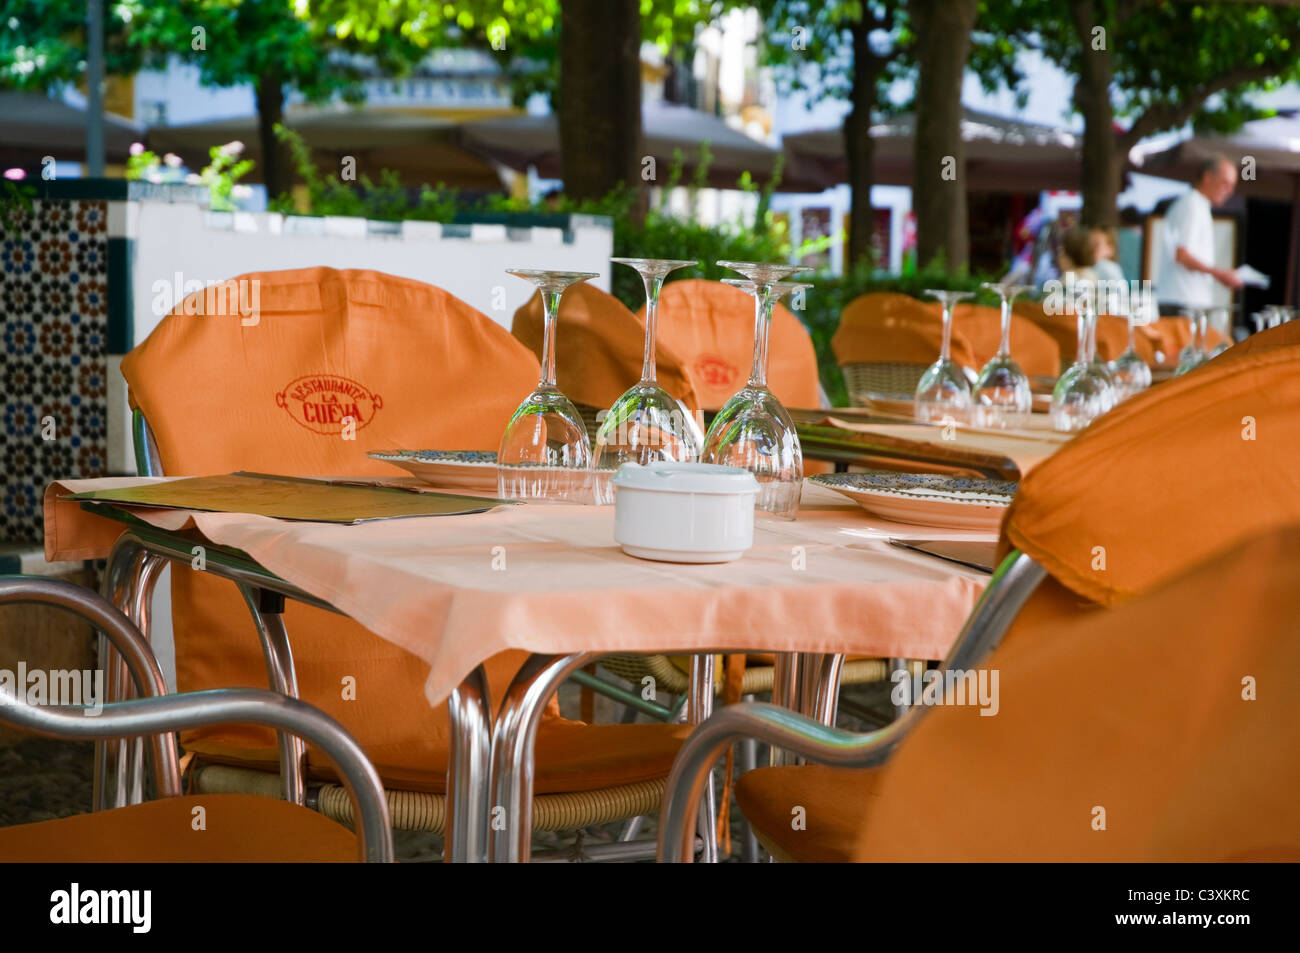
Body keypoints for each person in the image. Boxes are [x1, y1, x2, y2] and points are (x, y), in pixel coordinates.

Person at [1154, 155, 1241, 316]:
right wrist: (1220, 274)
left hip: (1184, 300)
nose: (1230, 191)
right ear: (1207, 178)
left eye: (1232, 185)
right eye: (1226, 183)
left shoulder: (1197, 205)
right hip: (1181, 301)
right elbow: (1182, 255)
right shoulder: (1191, 205)